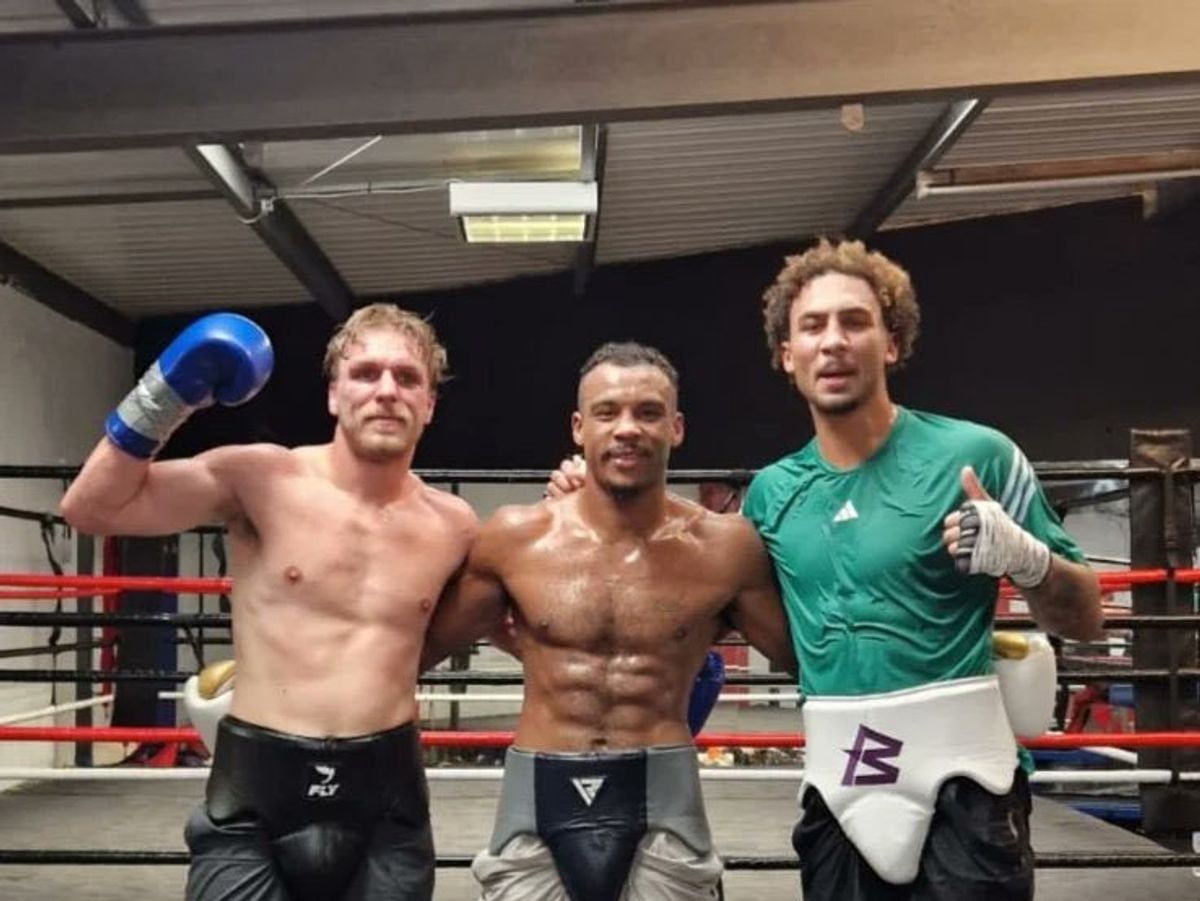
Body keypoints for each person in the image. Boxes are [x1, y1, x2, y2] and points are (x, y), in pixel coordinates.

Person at [61, 304, 476, 901]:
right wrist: (164, 395)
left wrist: (572, 488)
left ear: (429, 403)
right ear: (334, 394)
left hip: (386, 803)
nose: (387, 390)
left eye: (407, 377)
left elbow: (517, 601)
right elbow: (91, 508)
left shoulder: (454, 525)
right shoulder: (260, 478)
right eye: (366, 373)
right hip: (256, 794)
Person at [745, 239, 1104, 900]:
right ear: (787, 354)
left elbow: (1084, 618)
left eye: (854, 321)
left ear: (891, 342)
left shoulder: (977, 455)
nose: (833, 341)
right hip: (839, 785)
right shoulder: (770, 495)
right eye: (813, 326)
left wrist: (1026, 559)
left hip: (967, 786)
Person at [421, 341, 796, 901]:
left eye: (648, 412)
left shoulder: (725, 549)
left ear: (676, 428)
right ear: (579, 428)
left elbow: (810, 662)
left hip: (664, 799)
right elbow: (413, 649)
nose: (627, 428)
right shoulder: (515, 538)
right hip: (537, 793)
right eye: (607, 412)